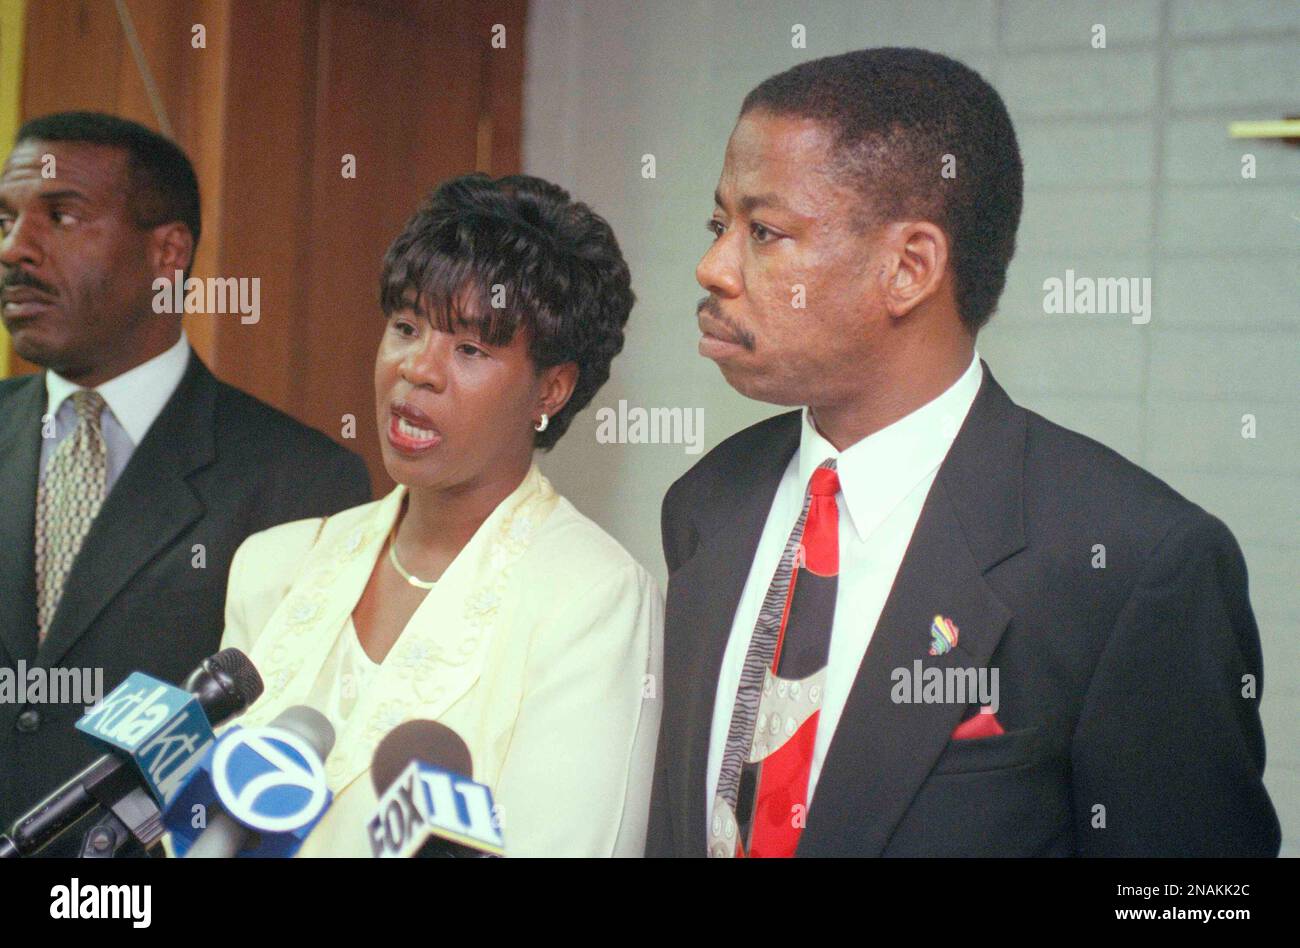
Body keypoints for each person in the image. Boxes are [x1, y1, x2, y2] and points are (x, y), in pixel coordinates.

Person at [647, 48, 1280, 857]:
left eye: (764, 232)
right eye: (718, 225)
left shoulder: (1131, 565)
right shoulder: (708, 504)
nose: (712, 268)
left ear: (908, 268)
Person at [217, 173, 663, 857]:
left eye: (471, 349)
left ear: (553, 387)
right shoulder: (276, 564)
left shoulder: (590, 595)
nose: (417, 369)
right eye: (405, 327)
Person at [0, 112, 371, 836]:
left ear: (168, 254)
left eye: (62, 216)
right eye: (7, 219)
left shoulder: (301, 484)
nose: (16, 249)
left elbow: (288, 759)